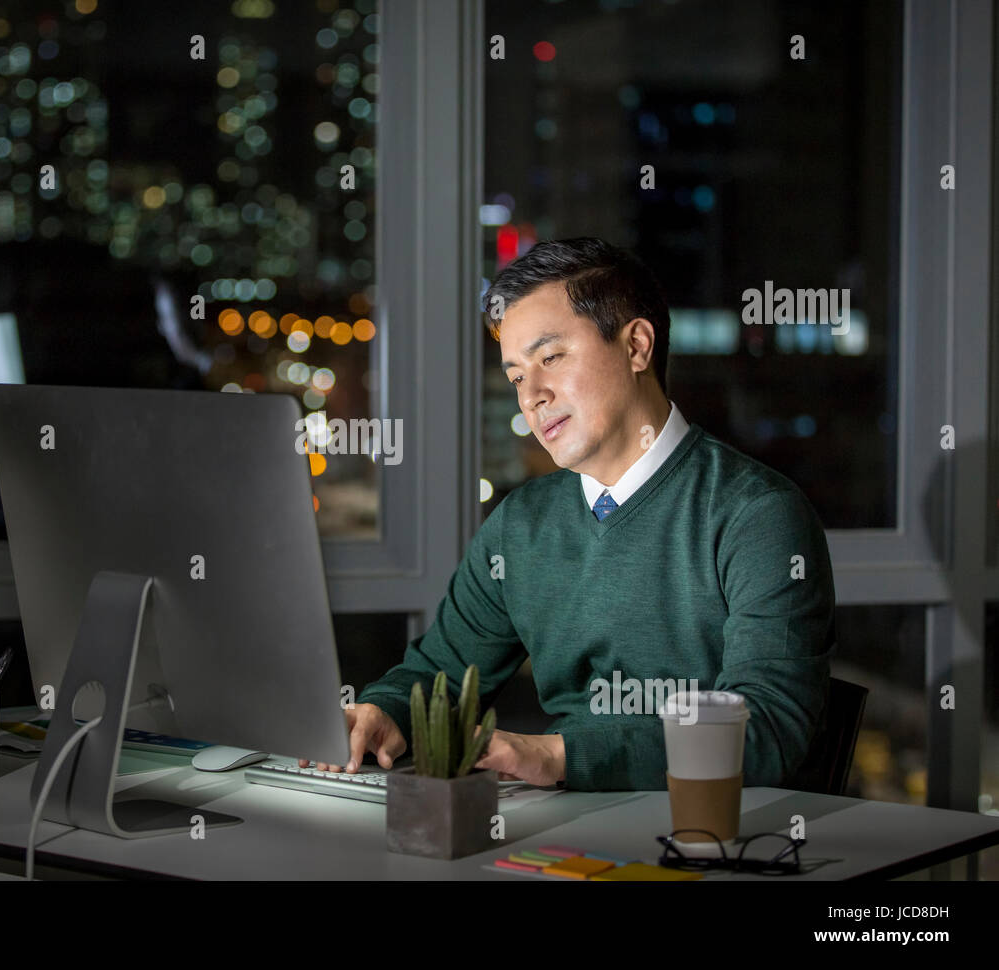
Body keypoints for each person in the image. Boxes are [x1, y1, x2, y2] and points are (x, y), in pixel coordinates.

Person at [300, 237, 835, 790]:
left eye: (551, 357)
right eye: (514, 376)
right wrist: (381, 712)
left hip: (709, 838)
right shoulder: (522, 523)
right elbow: (440, 673)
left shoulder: (757, 515)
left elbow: (767, 729)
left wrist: (558, 756)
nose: (530, 394)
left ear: (636, 347)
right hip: (567, 827)